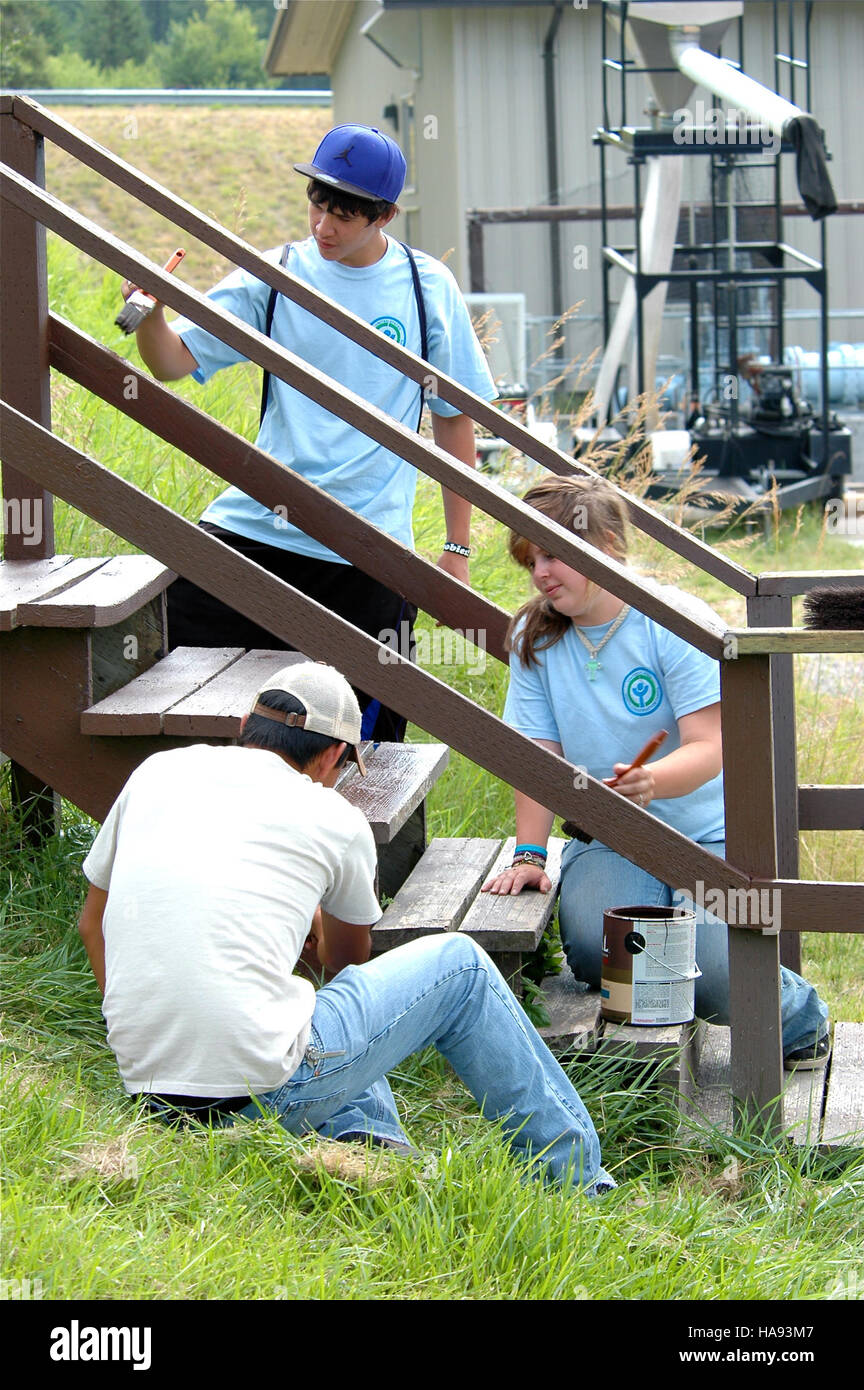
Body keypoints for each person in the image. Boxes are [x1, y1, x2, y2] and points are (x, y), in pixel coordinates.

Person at [77, 661, 614, 1195]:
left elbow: (91, 926)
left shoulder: (157, 772)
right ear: (335, 755)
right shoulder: (333, 818)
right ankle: (576, 1181)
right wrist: (313, 925)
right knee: (462, 967)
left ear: (245, 725)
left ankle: (369, 1151)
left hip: (148, 1089)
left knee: (313, 1009)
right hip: (262, 1097)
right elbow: (348, 966)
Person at [121, 123, 497, 742]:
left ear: (385, 216)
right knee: (190, 716)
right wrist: (152, 313)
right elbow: (172, 363)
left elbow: (455, 418)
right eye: (317, 206)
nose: (323, 226)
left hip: (369, 553)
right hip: (258, 531)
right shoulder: (276, 275)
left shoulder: (427, 289)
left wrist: (457, 547)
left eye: (343, 216)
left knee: (363, 751)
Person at [482, 475, 830, 1069]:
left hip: (710, 835)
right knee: (602, 951)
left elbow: (712, 744)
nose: (541, 572)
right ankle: (669, 1009)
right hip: (612, 840)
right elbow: (536, 760)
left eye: (556, 554)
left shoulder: (670, 620)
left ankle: (800, 1017)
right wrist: (530, 855)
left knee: (719, 967)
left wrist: (654, 782)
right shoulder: (533, 636)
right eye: (533, 556)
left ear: (609, 547)